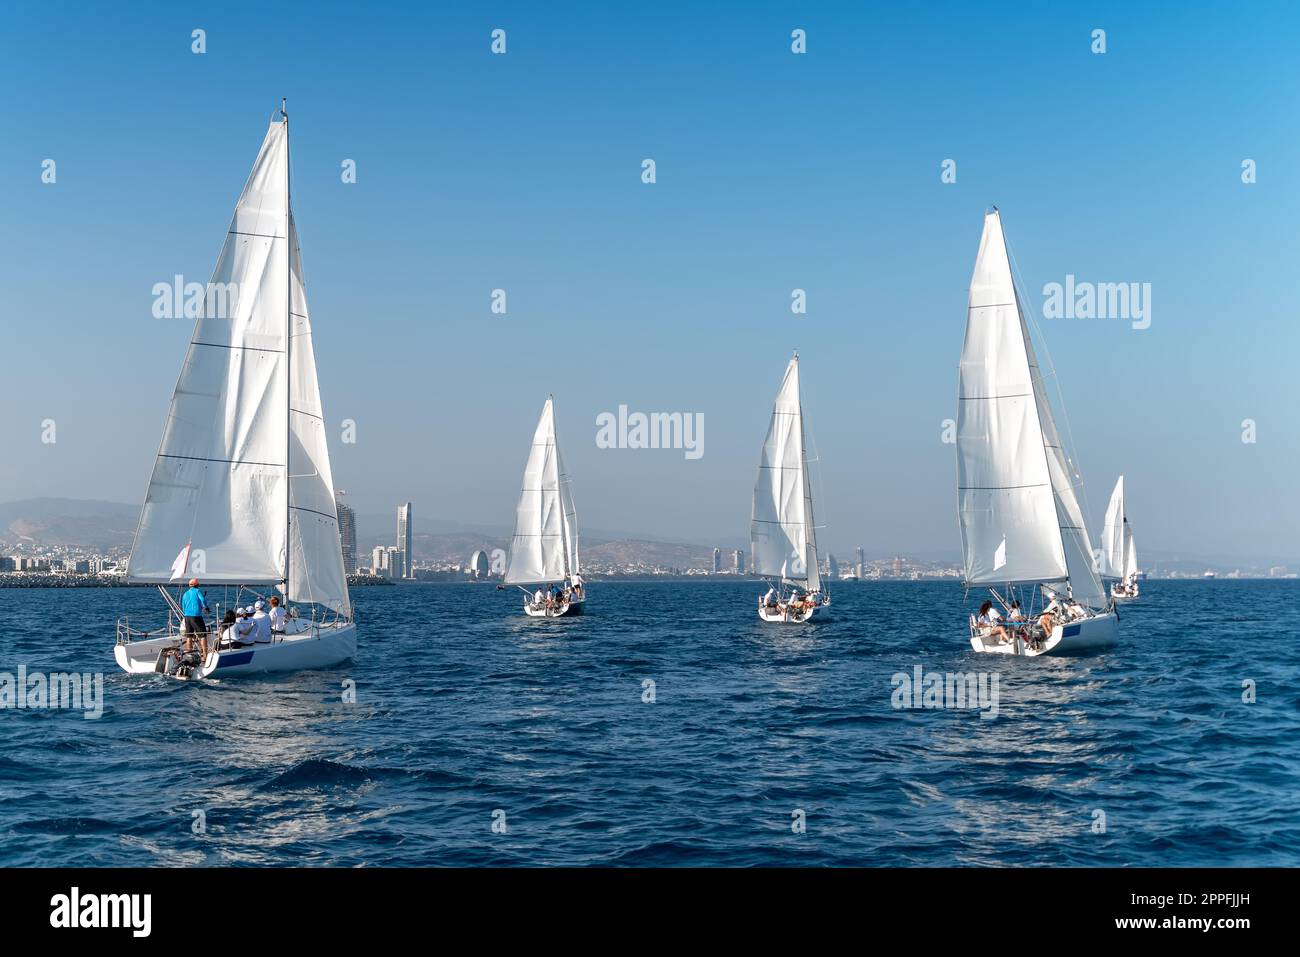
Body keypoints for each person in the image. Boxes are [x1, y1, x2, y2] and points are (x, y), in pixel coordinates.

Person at [180, 578, 211, 657]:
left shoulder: (185, 593)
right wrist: (206, 607)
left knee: (189, 636)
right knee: (203, 635)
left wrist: (186, 613)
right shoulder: (197, 591)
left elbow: (183, 606)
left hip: (187, 616)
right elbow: (203, 599)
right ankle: (205, 655)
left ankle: (189, 655)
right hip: (196, 616)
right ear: (197, 585)